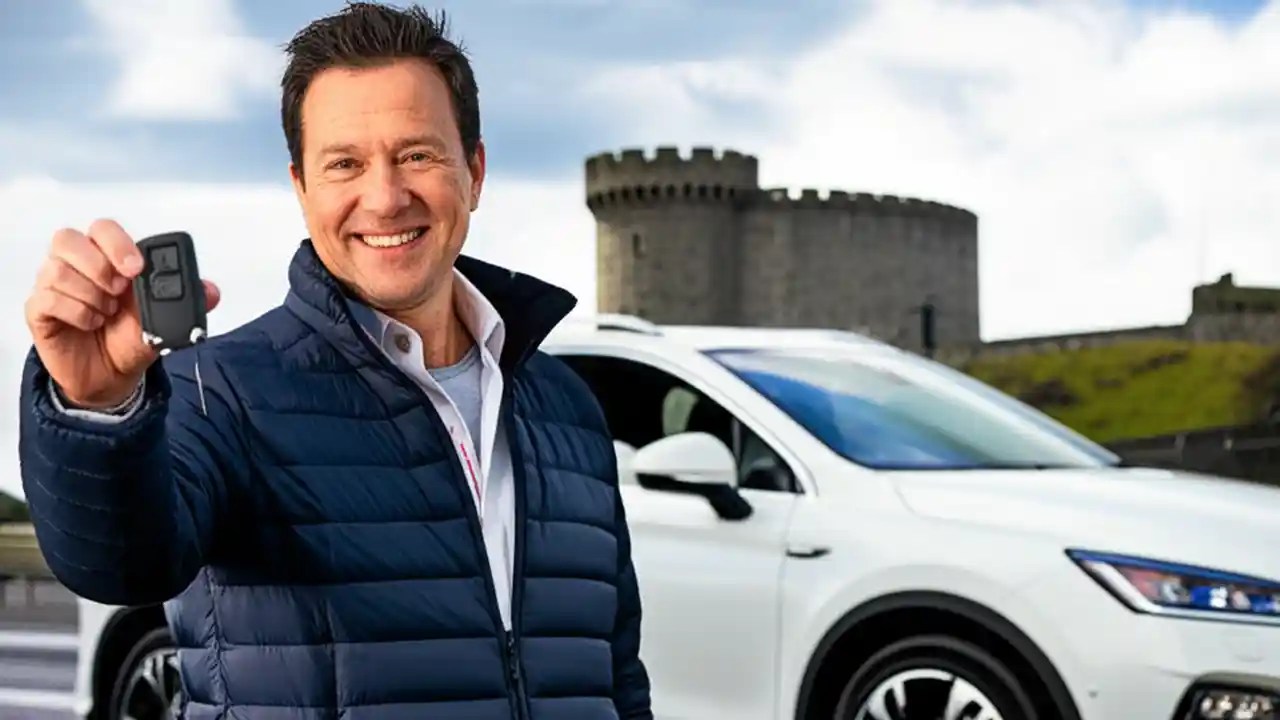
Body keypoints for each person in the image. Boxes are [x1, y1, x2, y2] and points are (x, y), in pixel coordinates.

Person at [18, 3, 652, 719]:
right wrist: (95, 409)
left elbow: (616, 677)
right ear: (302, 188)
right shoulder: (216, 392)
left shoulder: (566, 406)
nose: (384, 197)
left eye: (416, 155)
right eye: (345, 164)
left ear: (474, 172)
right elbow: (121, 564)